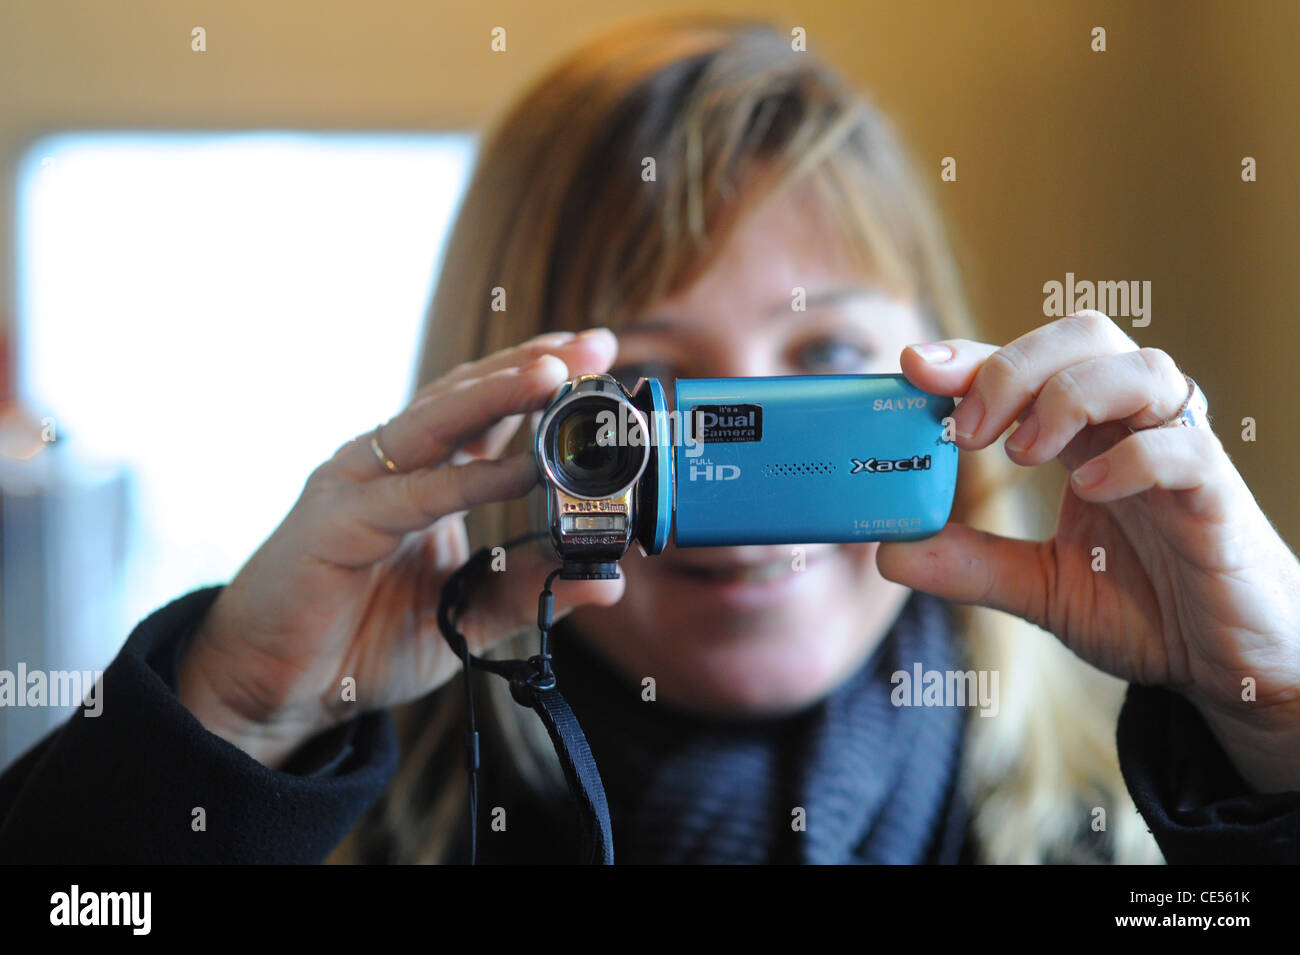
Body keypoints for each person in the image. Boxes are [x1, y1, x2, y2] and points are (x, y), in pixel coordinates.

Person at [2, 15, 1298, 865]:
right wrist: (231, 724)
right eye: (642, 391)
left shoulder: (1150, 833)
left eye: (830, 362)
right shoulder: (334, 824)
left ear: (966, 397)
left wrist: (1277, 728)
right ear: (527, 429)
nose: (738, 481)